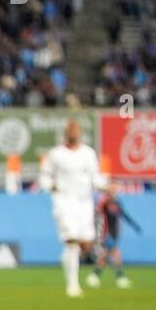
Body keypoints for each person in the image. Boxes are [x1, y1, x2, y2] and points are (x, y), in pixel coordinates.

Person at [39, 119, 105, 298]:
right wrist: (52, 187)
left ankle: (66, 260)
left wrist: (107, 186)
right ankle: (73, 285)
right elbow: (44, 177)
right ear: (65, 133)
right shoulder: (55, 154)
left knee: (85, 244)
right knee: (72, 241)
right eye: (70, 129)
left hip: (84, 202)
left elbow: (96, 177)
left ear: (80, 132)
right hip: (64, 201)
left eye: (75, 129)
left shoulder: (88, 154)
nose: (73, 132)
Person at [87, 182, 140, 289]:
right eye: (113, 189)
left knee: (105, 256)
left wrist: (135, 226)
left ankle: (94, 276)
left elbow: (123, 215)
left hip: (114, 232)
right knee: (116, 253)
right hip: (106, 232)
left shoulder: (117, 202)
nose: (115, 191)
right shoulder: (104, 202)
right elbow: (97, 213)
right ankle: (120, 277)